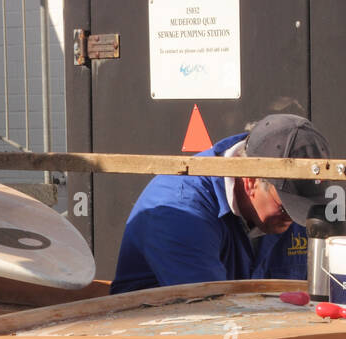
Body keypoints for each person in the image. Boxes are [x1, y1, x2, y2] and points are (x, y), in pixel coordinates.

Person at [111, 114, 330, 294]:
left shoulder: (281, 198)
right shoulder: (179, 211)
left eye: (303, 210)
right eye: (286, 208)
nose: (294, 220)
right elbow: (210, 318)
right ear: (251, 182)